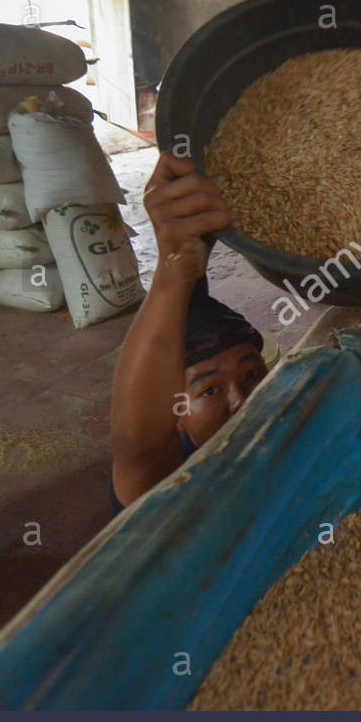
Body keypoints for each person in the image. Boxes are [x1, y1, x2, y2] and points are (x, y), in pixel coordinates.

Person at [109, 152, 269, 511]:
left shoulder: (271, 437)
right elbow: (139, 446)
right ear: (175, 414)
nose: (242, 400)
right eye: (210, 390)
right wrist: (174, 271)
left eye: (253, 373)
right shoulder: (159, 480)